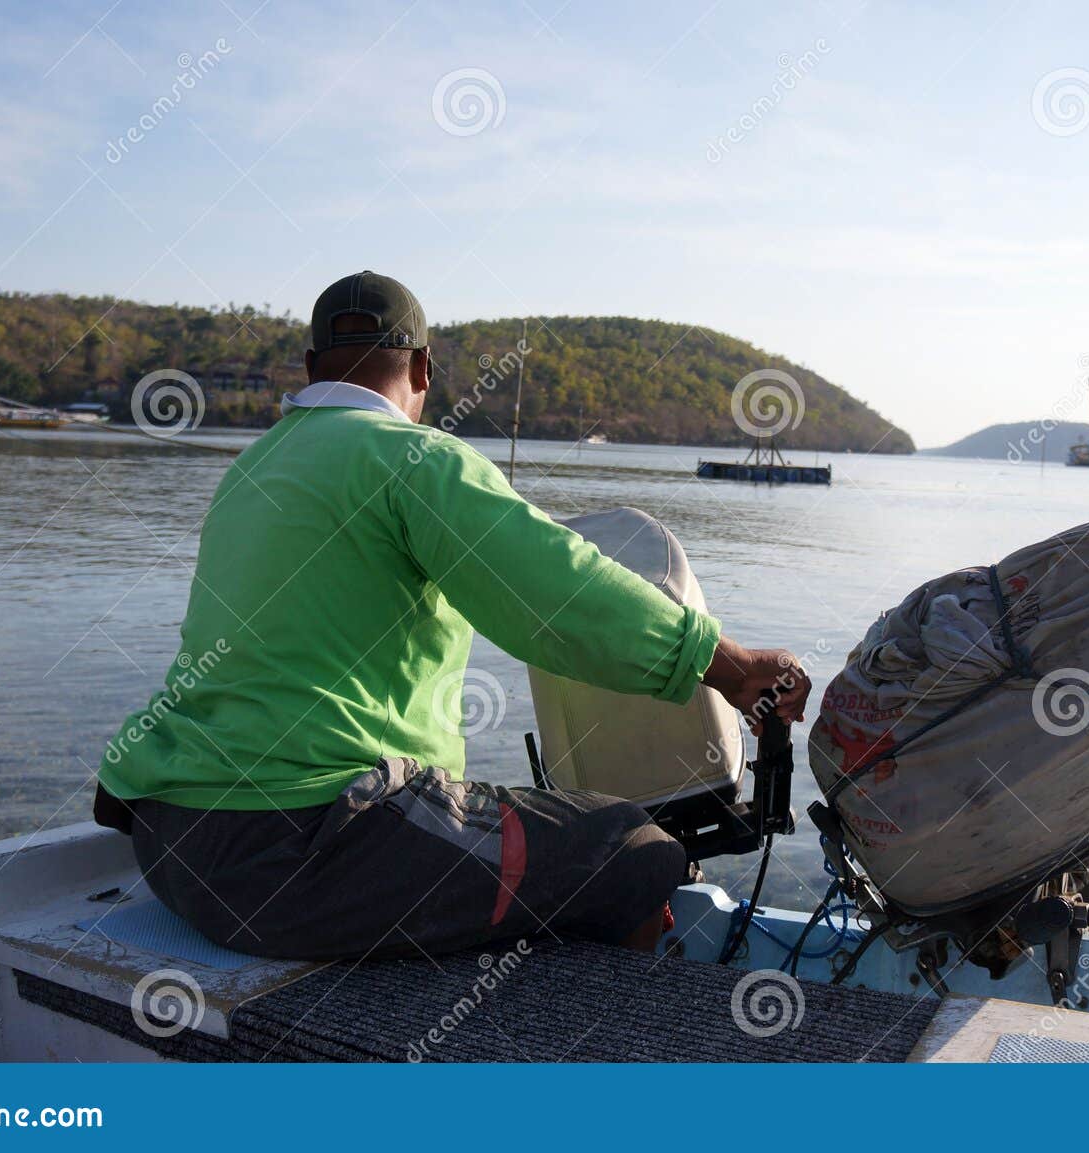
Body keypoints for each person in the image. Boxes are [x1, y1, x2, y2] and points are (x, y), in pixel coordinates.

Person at [94, 271, 809, 962]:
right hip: (301, 855)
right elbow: (555, 592)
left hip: (172, 845)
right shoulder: (413, 458)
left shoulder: (250, 472)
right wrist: (732, 668)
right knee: (635, 850)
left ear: (311, 368)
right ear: (425, 369)